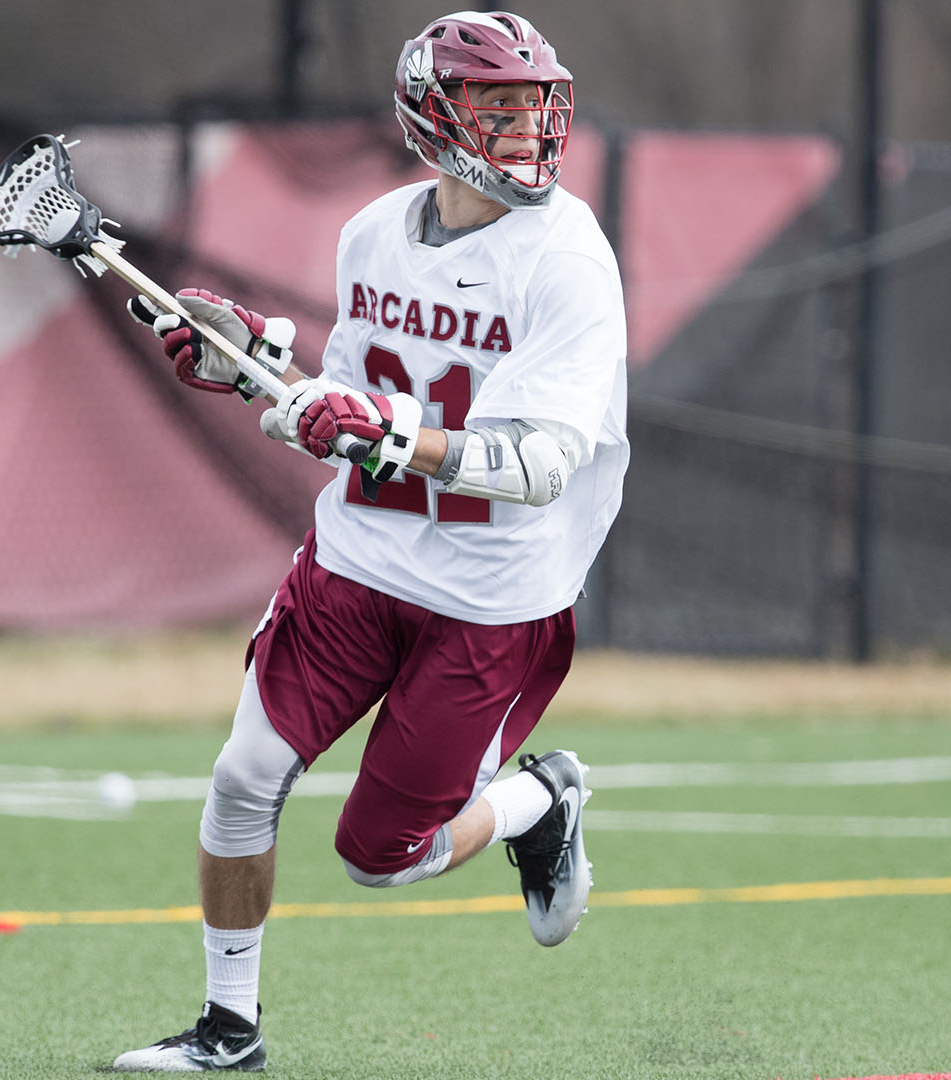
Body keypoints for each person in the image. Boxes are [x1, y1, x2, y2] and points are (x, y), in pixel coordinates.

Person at [111, 10, 628, 1072]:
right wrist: (253, 364)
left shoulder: (569, 261)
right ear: (433, 116)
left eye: (534, 107)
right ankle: (228, 1029)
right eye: (498, 107)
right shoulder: (374, 233)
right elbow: (343, 400)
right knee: (243, 778)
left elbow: (536, 467)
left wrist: (384, 432)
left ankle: (541, 796)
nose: (527, 130)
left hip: (491, 596)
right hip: (358, 560)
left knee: (385, 859)